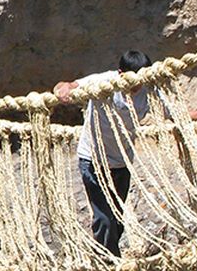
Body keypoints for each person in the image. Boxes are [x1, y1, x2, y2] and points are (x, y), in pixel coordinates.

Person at [53, 50, 153, 257]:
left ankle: (103, 256)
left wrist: (196, 116)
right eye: (133, 80)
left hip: (121, 162)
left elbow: (167, 109)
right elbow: (69, 85)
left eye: (141, 80)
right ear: (120, 73)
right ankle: (110, 266)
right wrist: (61, 89)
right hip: (93, 160)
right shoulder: (105, 82)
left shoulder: (147, 88)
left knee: (117, 218)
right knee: (104, 218)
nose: (137, 86)